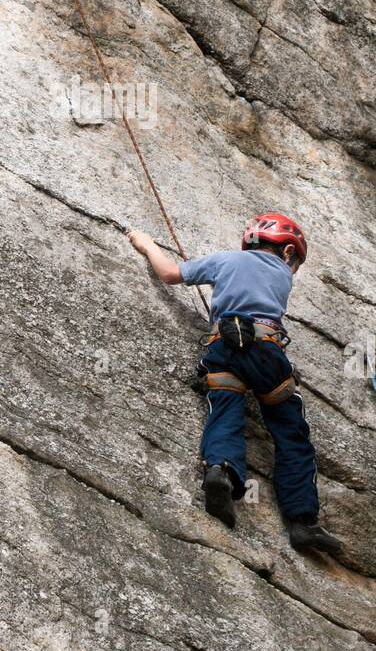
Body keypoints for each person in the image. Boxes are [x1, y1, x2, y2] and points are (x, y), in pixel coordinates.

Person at [127, 213, 342, 554]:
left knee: (225, 410)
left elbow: (169, 273)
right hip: (265, 349)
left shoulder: (225, 260)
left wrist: (145, 242)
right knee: (290, 430)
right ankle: (302, 522)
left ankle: (220, 473)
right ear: (288, 253)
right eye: (296, 260)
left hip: (222, 347)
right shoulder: (283, 272)